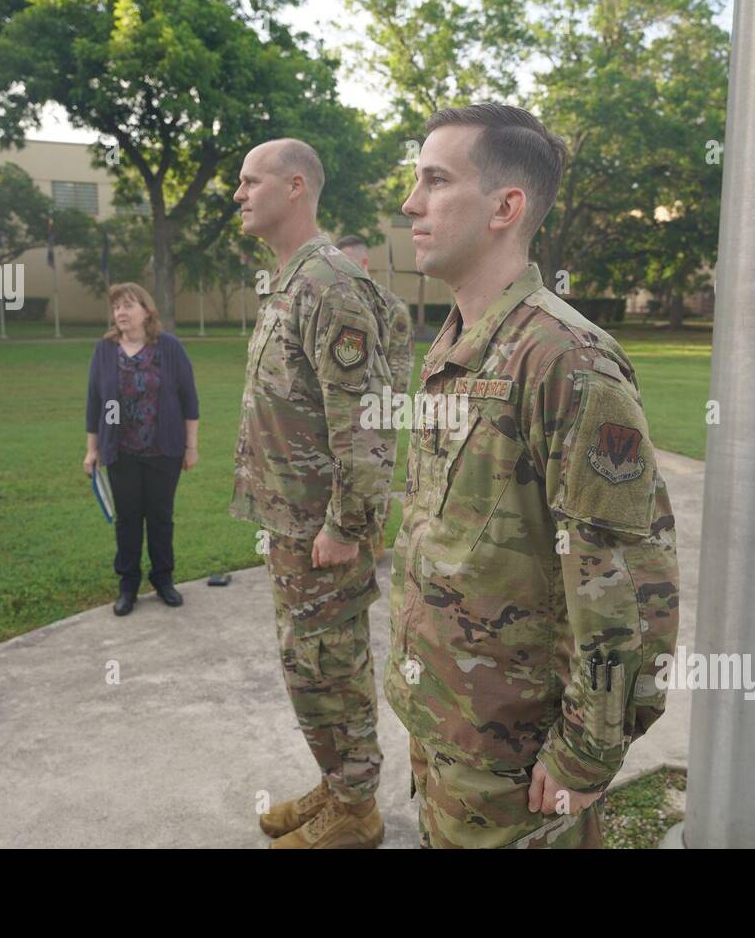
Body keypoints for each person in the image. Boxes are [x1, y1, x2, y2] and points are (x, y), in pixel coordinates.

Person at [385, 104, 681, 848]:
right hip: (450, 721)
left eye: (435, 181)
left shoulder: (567, 360)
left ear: (505, 208)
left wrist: (587, 752)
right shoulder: (459, 343)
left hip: (517, 759)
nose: (410, 204)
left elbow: (623, 582)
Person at [229, 138, 397, 849]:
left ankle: (357, 809)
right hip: (291, 522)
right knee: (308, 667)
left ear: (295, 186)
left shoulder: (329, 283)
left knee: (331, 665)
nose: (238, 194)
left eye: (250, 181)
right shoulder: (291, 280)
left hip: (322, 529)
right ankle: (337, 784)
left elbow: (367, 420)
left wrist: (346, 526)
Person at [84, 282, 200, 617]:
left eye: (128, 305)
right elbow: (96, 402)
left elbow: (189, 399)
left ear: (146, 311)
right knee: (128, 519)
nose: (120, 312)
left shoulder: (169, 347)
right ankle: (128, 585)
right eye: (116, 306)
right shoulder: (105, 350)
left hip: (164, 449)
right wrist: (93, 449)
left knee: (161, 517)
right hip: (120, 450)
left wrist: (191, 447)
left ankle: (163, 579)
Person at [335, 234, 415, 561]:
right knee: (340, 482)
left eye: (348, 264)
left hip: (377, 413)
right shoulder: (335, 305)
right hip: (339, 414)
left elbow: (400, 367)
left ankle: (372, 548)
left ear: (365, 263)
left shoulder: (391, 307)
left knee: (375, 487)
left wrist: (383, 417)